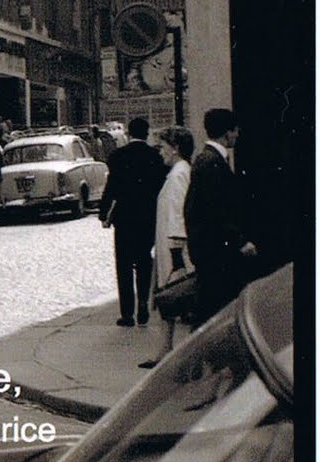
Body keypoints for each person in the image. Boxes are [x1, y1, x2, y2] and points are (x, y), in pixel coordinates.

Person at [185, 108, 257, 323]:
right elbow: (217, 209)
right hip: (215, 251)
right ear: (227, 132)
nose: (237, 135)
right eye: (235, 131)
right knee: (213, 309)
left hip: (209, 248)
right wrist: (240, 241)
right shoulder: (213, 163)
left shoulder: (206, 160)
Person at [98, 117, 169, 327]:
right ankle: (143, 303)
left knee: (124, 264)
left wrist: (104, 213)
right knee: (144, 260)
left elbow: (111, 188)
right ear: (147, 134)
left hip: (125, 217)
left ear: (128, 134)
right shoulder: (155, 157)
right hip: (147, 216)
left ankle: (127, 312)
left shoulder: (118, 156)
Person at [140, 126, 196, 369]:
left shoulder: (177, 176)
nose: (160, 152)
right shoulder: (178, 172)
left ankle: (173, 353)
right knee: (169, 301)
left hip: (175, 250)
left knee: (173, 298)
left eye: (163, 147)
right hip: (170, 247)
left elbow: (177, 214)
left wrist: (176, 255)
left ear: (175, 149)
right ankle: (165, 349)